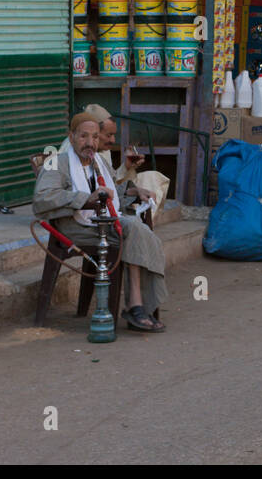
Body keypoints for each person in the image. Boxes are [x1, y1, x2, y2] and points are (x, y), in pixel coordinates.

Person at [34, 113, 169, 333]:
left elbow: (112, 193)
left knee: (138, 232)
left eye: (95, 137)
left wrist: (134, 191)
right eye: (84, 136)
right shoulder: (56, 162)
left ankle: (138, 305)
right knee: (136, 230)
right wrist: (85, 199)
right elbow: (42, 199)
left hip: (104, 224)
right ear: (72, 136)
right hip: (75, 228)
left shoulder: (100, 162)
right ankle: (136, 306)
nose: (90, 143)